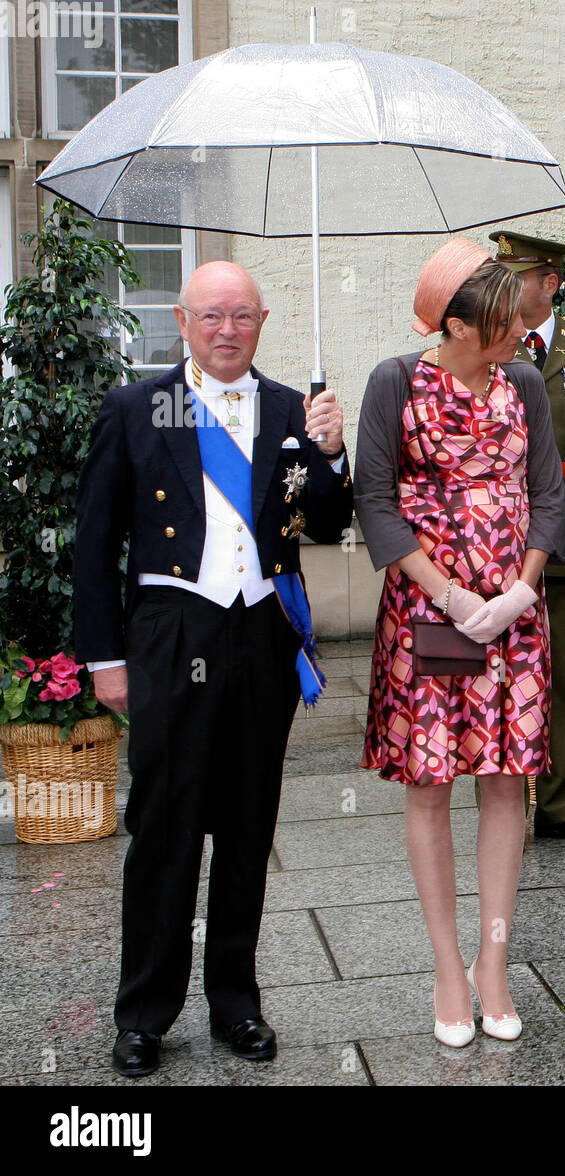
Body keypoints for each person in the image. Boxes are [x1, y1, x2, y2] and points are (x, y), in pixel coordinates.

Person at [74, 260, 353, 1078]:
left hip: (259, 635)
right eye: (211, 316)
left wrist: (330, 456)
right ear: (181, 320)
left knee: (246, 825)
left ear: (262, 321)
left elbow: (323, 529)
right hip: (169, 632)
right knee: (163, 827)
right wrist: (105, 658)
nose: (227, 329)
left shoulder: (290, 412)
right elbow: (94, 544)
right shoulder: (135, 407)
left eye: (242, 315)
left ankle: (236, 1002)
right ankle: (145, 1014)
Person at [354, 238, 565, 1046]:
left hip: (513, 616)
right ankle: (447, 967)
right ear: (460, 321)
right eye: (506, 321)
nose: (521, 331)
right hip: (427, 614)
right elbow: (375, 499)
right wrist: (447, 593)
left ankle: (494, 963)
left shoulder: (524, 384)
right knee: (432, 783)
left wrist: (518, 591)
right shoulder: (395, 381)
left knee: (508, 782)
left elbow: (547, 491)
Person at [492, 229, 565, 845]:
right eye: (501, 278)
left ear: (551, 284)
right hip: (494, 546)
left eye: (519, 280)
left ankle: (562, 800)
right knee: (498, 677)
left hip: (564, 540)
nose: (508, 292)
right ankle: (502, 797)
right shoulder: (485, 347)